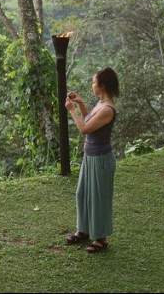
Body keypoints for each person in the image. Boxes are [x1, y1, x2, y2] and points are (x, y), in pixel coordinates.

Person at [64, 67, 119, 253]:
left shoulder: (108, 109)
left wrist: (72, 110)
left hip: (101, 160)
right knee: (83, 193)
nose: (92, 85)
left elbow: (85, 129)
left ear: (102, 86)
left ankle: (101, 239)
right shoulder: (100, 104)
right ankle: (84, 230)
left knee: (98, 198)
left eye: (94, 82)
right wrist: (80, 104)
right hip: (90, 157)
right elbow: (89, 119)